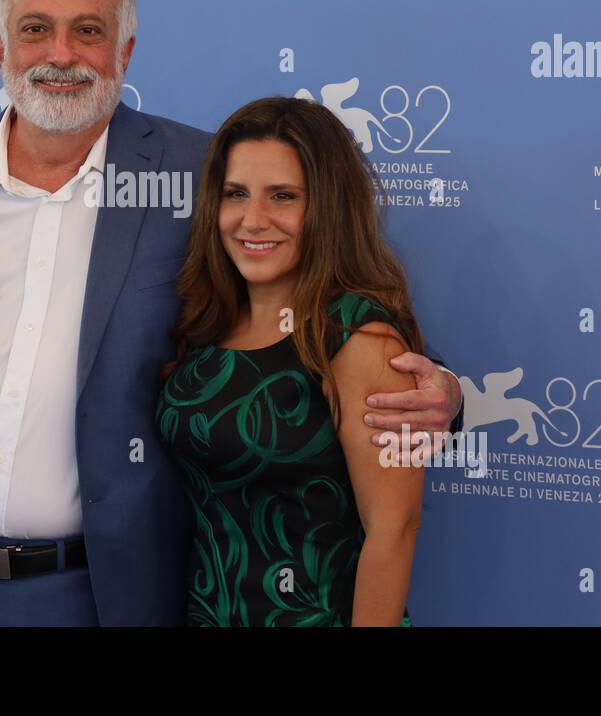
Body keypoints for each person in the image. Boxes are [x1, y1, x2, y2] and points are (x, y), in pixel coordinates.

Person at [0, 0, 463, 626]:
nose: (61, 54)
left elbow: (314, 299)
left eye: (89, 31)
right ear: (0, 46)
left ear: (125, 52)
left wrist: (437, 390)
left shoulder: (204, 178)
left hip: (112, 598)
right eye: (35, 29)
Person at [157, 97, 430, 626]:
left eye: (283, 197)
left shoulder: (363, 340)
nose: (252, 220)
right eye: (235, 194)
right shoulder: (209, 320)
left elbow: (395, 529)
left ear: (327, 208)